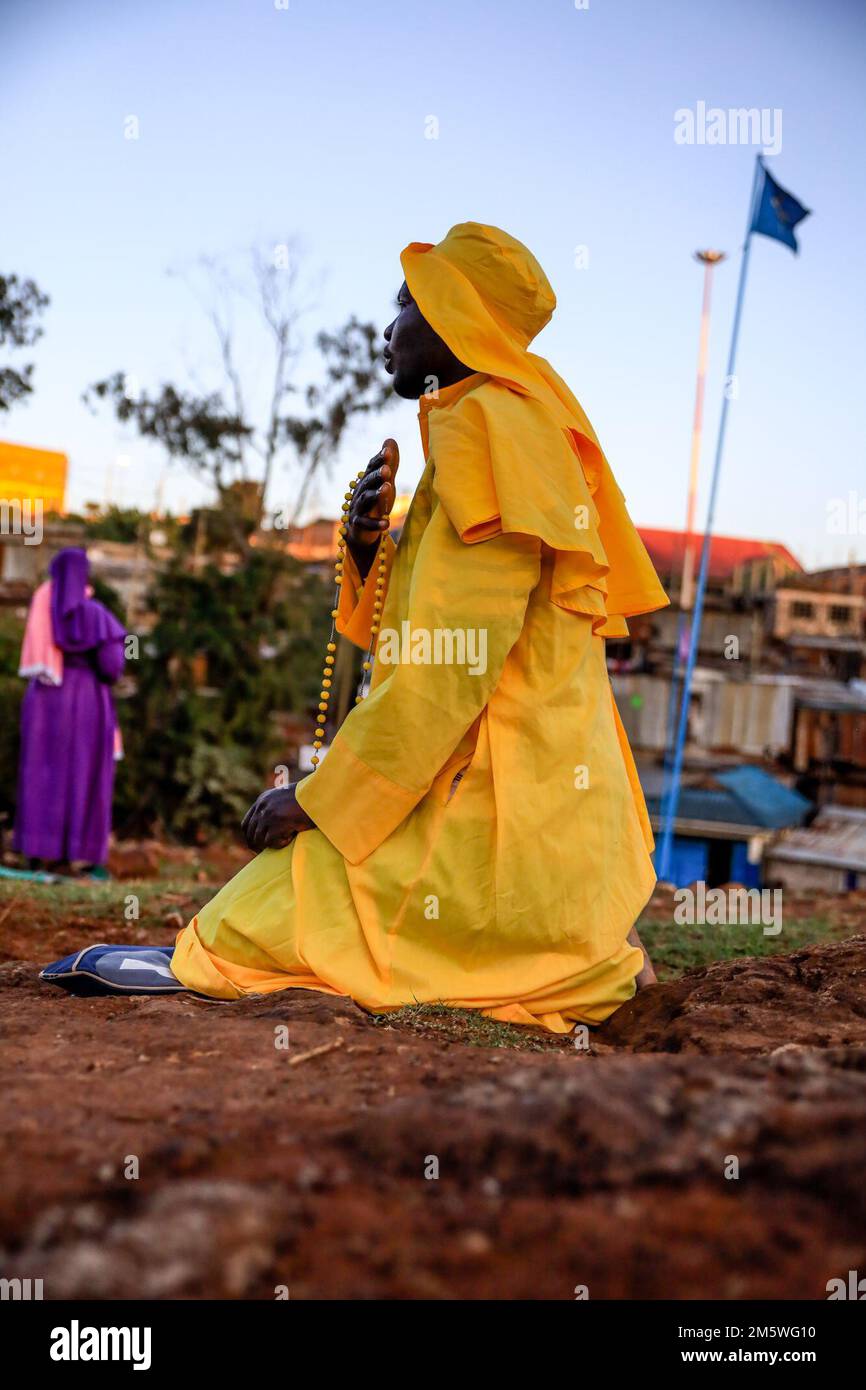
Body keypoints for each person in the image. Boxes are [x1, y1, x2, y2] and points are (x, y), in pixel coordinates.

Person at [171, 222, 668, 1032]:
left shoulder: (488, 427)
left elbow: (450, 668)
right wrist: (370, 548)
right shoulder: (496, 420)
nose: (390, 327)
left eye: (407, 303)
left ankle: (579, 964)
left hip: (492, 803)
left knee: (230, 942)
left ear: (453, 318)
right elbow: (431, 625)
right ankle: (581, 954)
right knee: (255, 924)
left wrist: (320, 800)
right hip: (535, 808)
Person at [15, 547, 126, 873]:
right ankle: (74, 854)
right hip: (88, 704)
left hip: (44, 702)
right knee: (83, 775)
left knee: (41, 773)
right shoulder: (97, 614)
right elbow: (112, 666)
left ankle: (36, 851)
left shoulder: (41, 608)